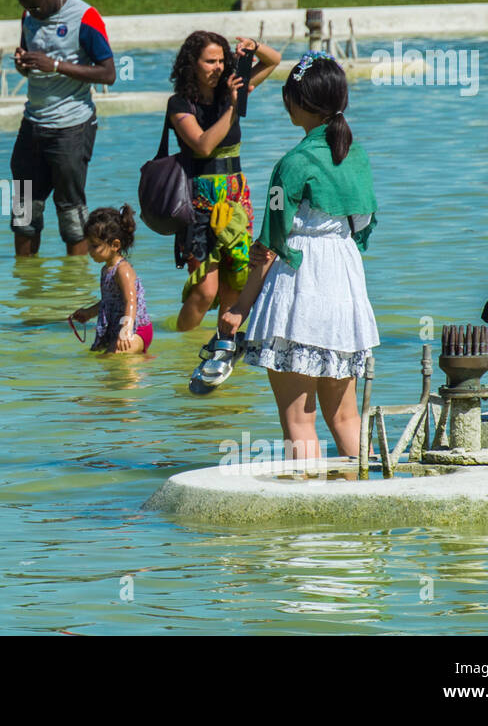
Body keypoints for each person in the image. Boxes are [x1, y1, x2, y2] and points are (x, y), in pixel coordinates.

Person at [218, 53, 379, 460]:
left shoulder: (292, 163)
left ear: (300, 102)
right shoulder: (355, 156)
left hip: (300, 289)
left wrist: (239, 306)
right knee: (345, 419)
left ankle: (307, 518)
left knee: (298, 422)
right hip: (344, 286)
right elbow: (363, 225)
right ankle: (361, 505)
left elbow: (270, 245)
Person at [168, 31, 281, 334]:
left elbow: (274, 61)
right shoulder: (179, 103)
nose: (218, 67)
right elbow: (203, 146)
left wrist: (254, 47)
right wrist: (233, 106)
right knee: (205, 290)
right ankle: (178, 345)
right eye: (210, 61)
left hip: (235, 198)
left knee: (234, 284)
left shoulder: (230, 90)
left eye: (222, 60)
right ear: (192, 63)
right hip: (199, 200)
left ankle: (224, 349)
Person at [9, 0, 115, 257]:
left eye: (36, 6)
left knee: (71, 212)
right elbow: (28, 58)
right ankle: (27, 284)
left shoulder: (85, 17)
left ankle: (74, 287)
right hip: (33, 122)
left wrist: (55, 65)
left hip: (71, 126)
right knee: (23, 209)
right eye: (27, 8)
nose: (33, 13)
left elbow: (108, 73)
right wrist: (23, 63)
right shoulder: (29, 15)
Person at [70, 205, 153, 355]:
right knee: (107, 368)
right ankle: (141, 359)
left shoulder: (122, 270)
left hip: (137, 329)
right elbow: (110, 302)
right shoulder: (106, 269)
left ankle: (142, 361)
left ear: (115, 245)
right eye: (88, 245)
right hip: (119, 327)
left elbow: (131, 301)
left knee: (109, 358)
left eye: (95, 246)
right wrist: (88, 313)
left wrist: (126, 330)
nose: (89, 251)